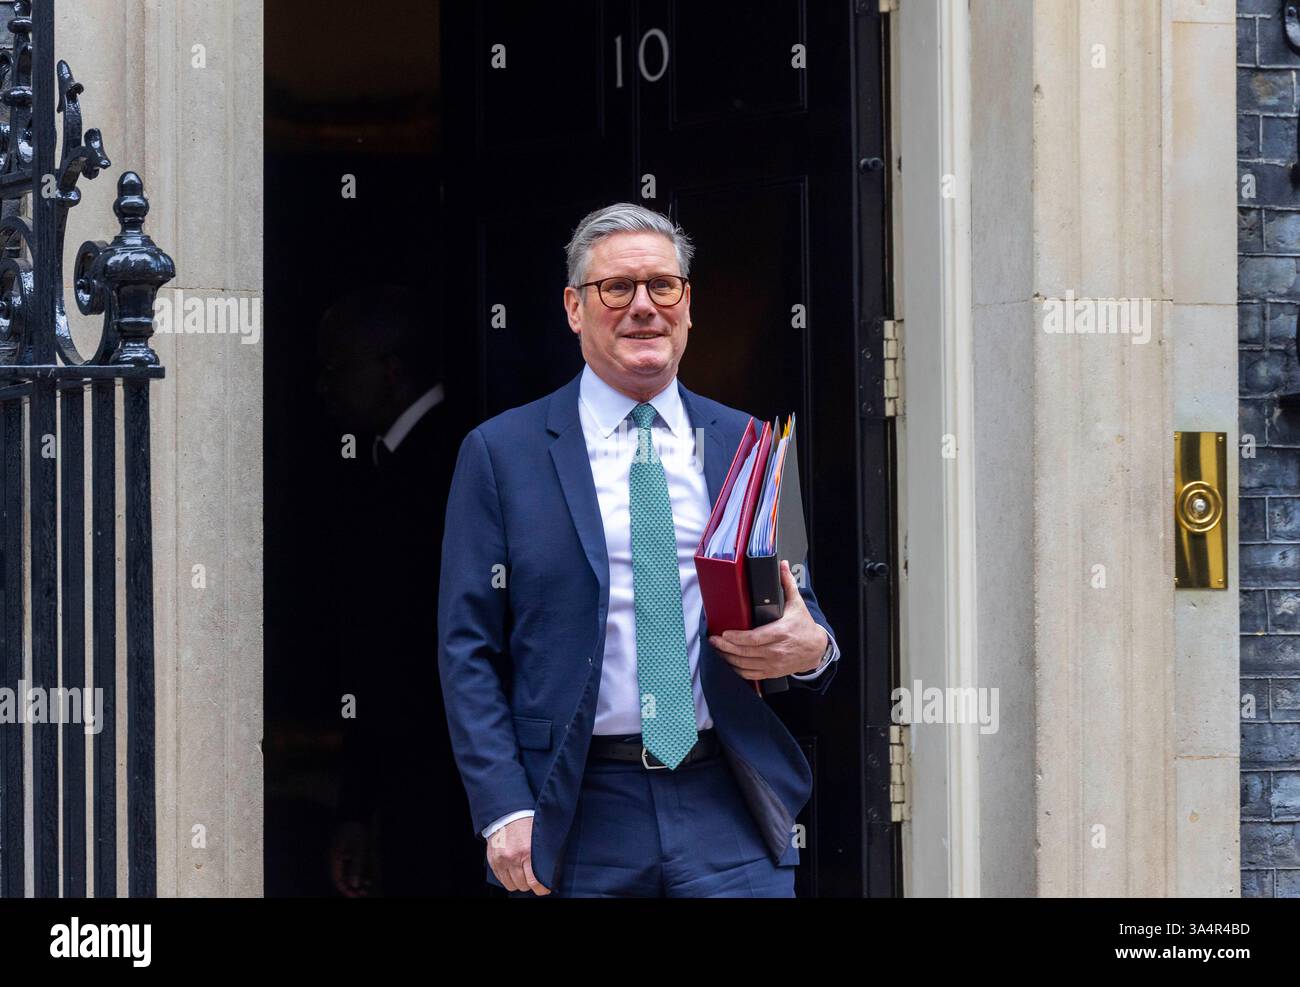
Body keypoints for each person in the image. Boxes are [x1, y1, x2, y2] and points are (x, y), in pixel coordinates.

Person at [438, 203, 840, 898]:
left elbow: (801, 609)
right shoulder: (502, 453)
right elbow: (467, 647)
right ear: (573, 307)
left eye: (663, 286)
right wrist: (503, 805)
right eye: (616, 288)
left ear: (689, 306)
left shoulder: (751, 443)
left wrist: (813, 650)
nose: (643, 307)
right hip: (576, 810)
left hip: (730, 804)